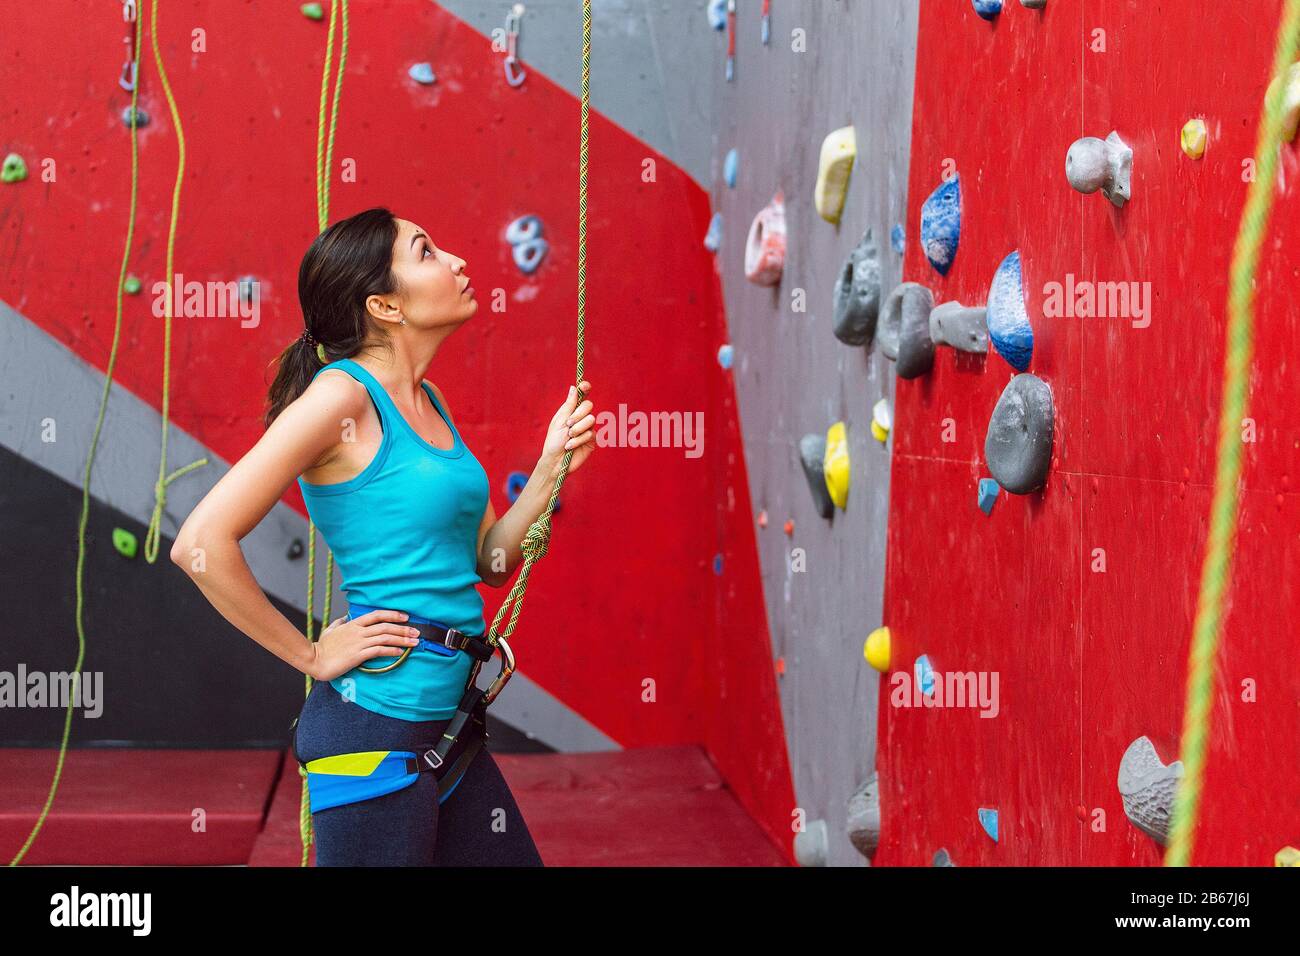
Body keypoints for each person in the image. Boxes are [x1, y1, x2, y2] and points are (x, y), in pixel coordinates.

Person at [171, 206, 595, 865]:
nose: (456, 261)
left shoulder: (431, 402)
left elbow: (488, 562)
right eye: (426, 252)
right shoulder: (342, 399)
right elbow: (199, 542)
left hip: (448, 729)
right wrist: (309, 655)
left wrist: (548, 470)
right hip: (373, 735)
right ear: (384, 305)